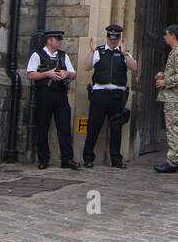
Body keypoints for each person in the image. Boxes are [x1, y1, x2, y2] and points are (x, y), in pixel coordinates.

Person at [81, 23, 137, 168]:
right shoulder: (99, 51)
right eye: (111, 38)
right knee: (93, 126)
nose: (113, 41)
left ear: (119, 38)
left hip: (117, 95)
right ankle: (88, 157)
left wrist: (125, 54)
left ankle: (116, 159)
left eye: (116, 38)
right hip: (100, 94)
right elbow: (86, 67)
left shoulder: (124, 52)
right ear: (107, 37)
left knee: (116, 128)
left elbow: (134, 67)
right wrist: (92, 51)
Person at [26, 30, 80, 169]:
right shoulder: (37, 55)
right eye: (57, 39)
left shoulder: (63, 56)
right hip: (44, 94)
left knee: (64, 127)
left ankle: (67, 159)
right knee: (42, 126)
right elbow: (31, 74)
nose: (59, 41)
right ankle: (43, 159)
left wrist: (66, 73)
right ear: (49, 40)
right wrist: (47, 73)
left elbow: (73, 74)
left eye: (60, 39)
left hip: (60, 94)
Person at [154, 24, 178, 173]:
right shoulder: (176, 52)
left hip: (173, 97)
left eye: (166, 34)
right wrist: (163, 75)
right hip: (173, 96)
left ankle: (173, 161)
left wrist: (165, 82)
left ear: (172, 35)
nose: (164, 37)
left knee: (174, 129)